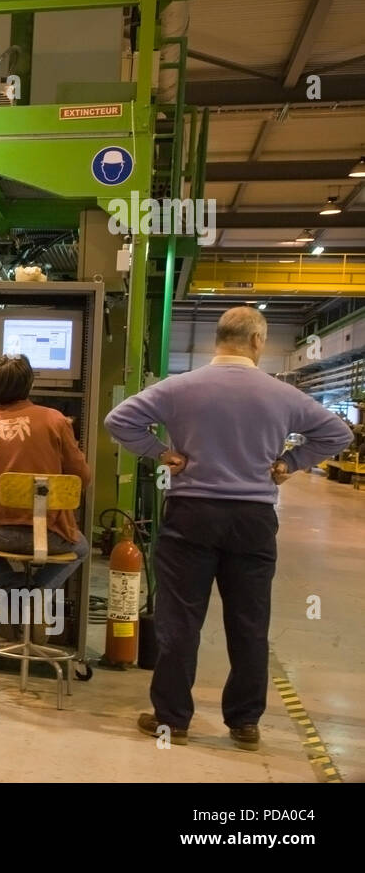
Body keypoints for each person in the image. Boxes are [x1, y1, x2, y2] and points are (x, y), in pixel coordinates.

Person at [104, 305, 351, 751]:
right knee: (249, 621)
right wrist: (290, 463)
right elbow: (337, 434)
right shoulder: (282, 395)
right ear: (258, 341)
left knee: (181, 619)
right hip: (253, 519)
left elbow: (118, 420)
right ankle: (244, 723)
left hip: (192, 513)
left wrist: (162, 453)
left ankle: (173, 719)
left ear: (216, 340)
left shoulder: (180, 387)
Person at [0, 354, 92, 643]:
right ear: (29, 384)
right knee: (82, 547)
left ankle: (13, 591)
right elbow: (81, 478)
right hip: (50, 535)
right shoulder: (55, 420)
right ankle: (37, 594)